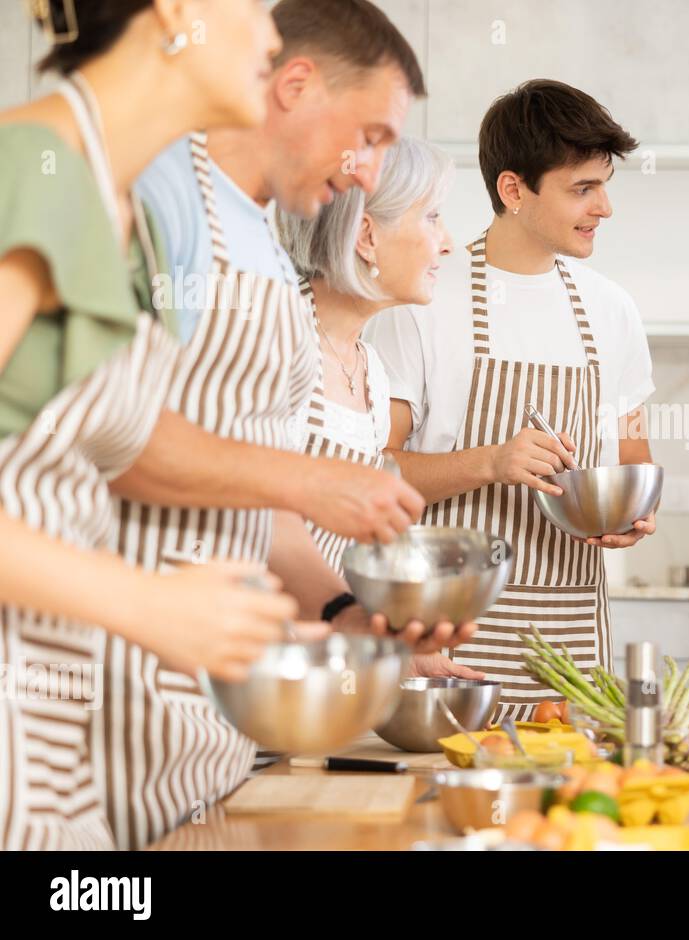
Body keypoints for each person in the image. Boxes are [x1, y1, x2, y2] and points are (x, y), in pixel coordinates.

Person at [102, 0, 473, 850]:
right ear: (296, 86)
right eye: (372, 136)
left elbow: (258, 504)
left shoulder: (265, 244)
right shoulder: (162, 198)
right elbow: (116, 437)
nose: (373, 174)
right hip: (122, 675)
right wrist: (313, 478)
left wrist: (347, 616)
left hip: (221, 704)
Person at [0, 0, 303, 850]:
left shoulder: (126, 210)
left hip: (54, 726)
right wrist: (141, 601)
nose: (275, 39)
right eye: (258, 8)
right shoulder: (30, 166)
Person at [368, 80, 657, 720]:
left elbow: (632, 450)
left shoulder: (612, 311)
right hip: (448, 641)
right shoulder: (421, 301)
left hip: (571, 647)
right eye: (582, 188)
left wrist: (630, 510)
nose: (604, 207)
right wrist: (491, 463)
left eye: (605, 185)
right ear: (513, 190)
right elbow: (371, 473)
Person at [278, 136, 485, 681]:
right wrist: (348, 623)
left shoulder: (370, 367)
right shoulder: (280, 342)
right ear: (367, 235)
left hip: (306, 668)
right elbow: (252, 521)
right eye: (433, 217)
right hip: (230, 664)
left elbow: (336, 551)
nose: (448, 244)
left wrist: (393, 645)